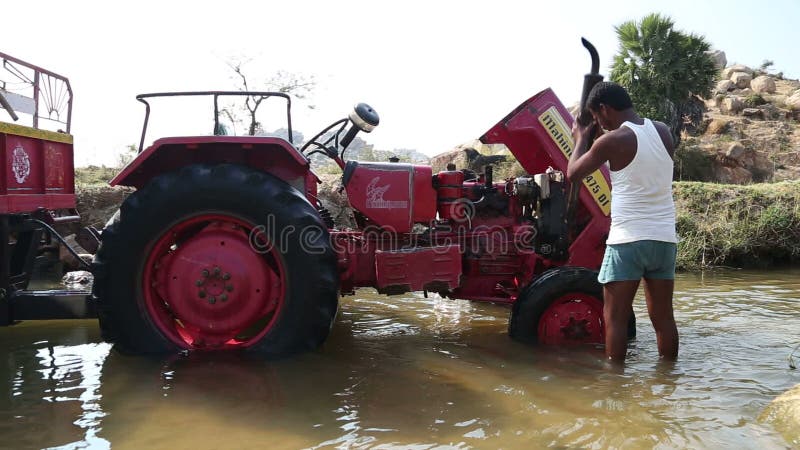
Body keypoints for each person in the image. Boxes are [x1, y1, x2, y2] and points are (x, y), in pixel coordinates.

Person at [567, 81, 679, 362]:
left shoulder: (613, 141)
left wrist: (581, 137)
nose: (598, 123)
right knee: (664, 318)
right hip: (664, 240)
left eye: (596, 117)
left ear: (604, 109)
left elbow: (573, 173)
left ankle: (614, 387)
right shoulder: (663, 131)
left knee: (615, 318)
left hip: (628, 241)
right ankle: (668, 381)